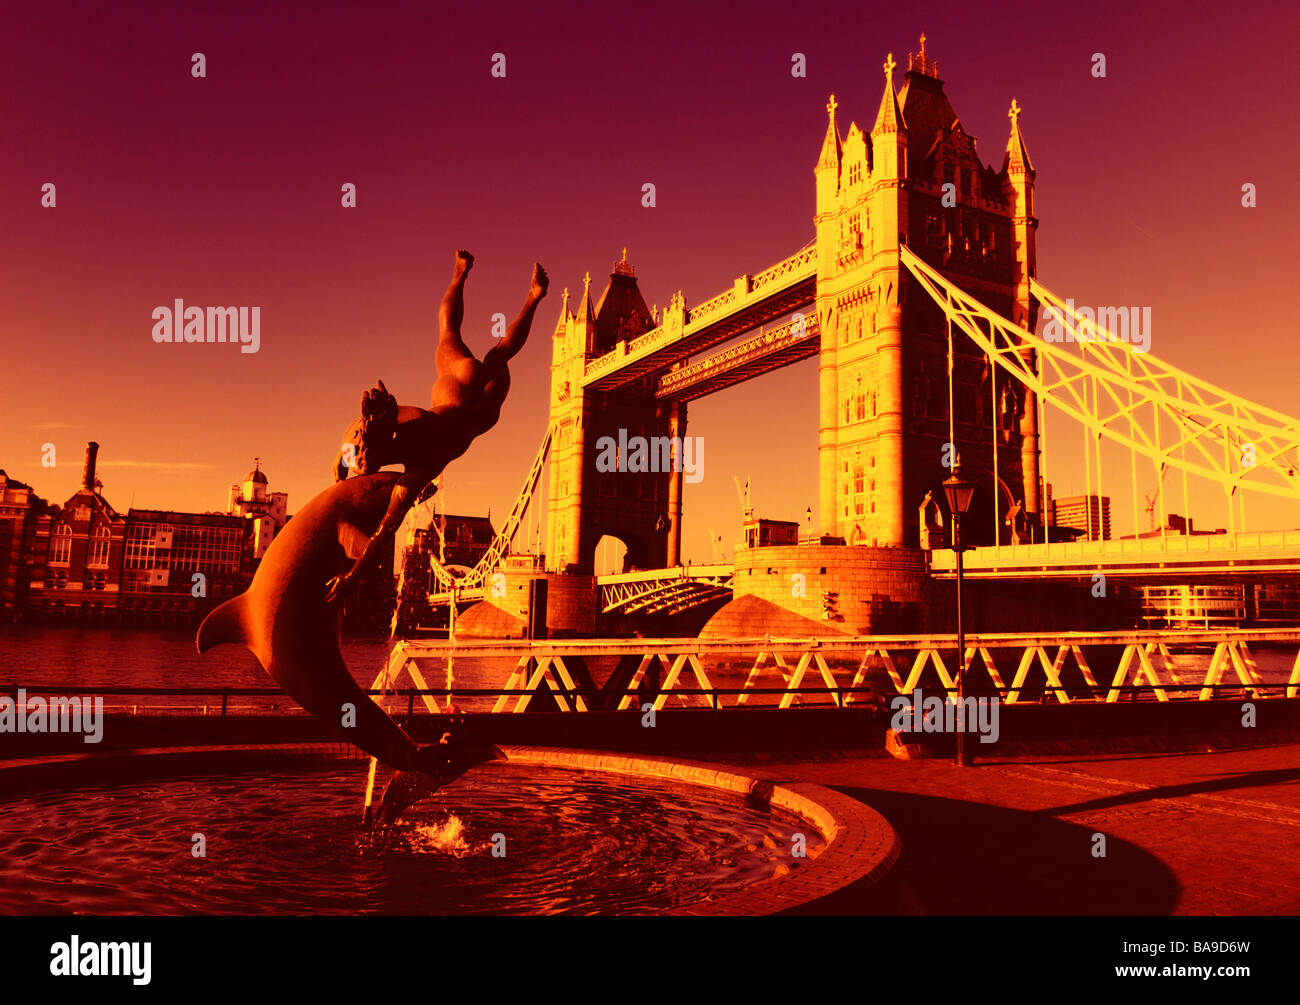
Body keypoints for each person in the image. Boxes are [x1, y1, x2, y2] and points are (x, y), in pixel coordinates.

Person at [325, 250, 548, 602]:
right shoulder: (391, 420)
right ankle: (465, 275)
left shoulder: (419, 465)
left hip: (478, 410)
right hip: (451, 384)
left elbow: (385, 532)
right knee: (458, 334)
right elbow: (353, 443)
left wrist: (352, 578)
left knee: (499, 353)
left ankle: (531, 297)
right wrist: (339, 468)